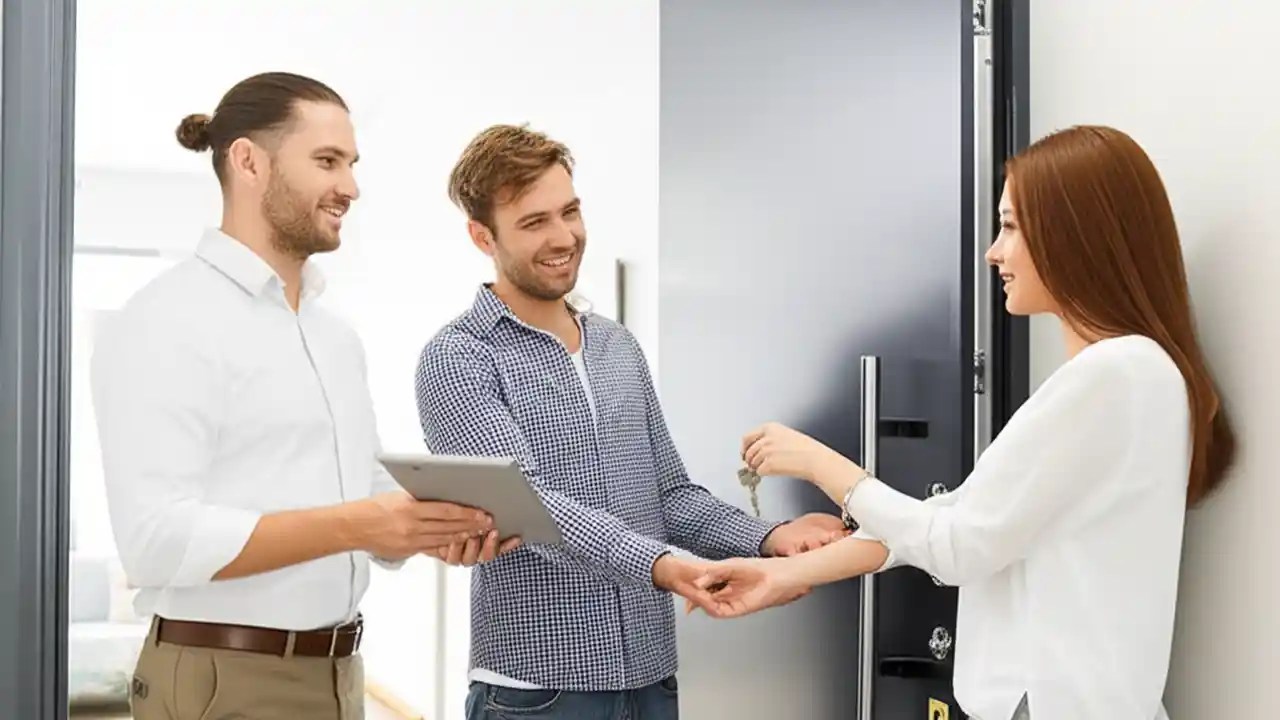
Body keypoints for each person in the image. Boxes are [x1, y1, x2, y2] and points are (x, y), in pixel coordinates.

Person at [690, 125, 1237, 720]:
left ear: (1074, 234)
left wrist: (821, 465)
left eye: (1010, 227)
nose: (993, 253)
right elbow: (952, 520)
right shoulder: (1136, 375)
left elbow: (955, 547)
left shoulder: (1114, 375)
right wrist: (783, 574)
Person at [90, 72, 510, 720]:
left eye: (351, 164)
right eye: (327, 161)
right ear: (248, 162)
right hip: (223, 678)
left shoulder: (332, 335)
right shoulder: (164, 320)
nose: (351, 187)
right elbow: (156, 541)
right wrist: (362, 523)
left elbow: (359, 486)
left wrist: (426, 528)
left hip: (337, 673)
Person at [414, 123, 848, 720]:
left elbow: (668, 496)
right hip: (539, 694)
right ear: (482, 235)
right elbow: (528, 510)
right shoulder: (459, 357)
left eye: (570, 212)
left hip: (651, 681)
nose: (564, 236)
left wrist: (770, 537)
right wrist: (663, 566)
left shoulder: (616, 346)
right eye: (534, 222)